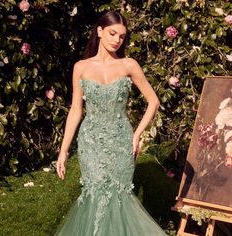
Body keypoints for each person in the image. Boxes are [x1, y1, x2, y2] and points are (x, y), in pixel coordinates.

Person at [55, 11, 166, 236]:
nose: (117, 40)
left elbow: (153, 101)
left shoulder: (129, 64)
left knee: (119, 196)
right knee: (94, 195)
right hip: (91, 142)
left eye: (122, 36)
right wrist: (63, 151)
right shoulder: (81, 67)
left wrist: (136, 135)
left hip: (121, 140)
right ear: (100, 31)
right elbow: (76, 110)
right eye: (112, 33)